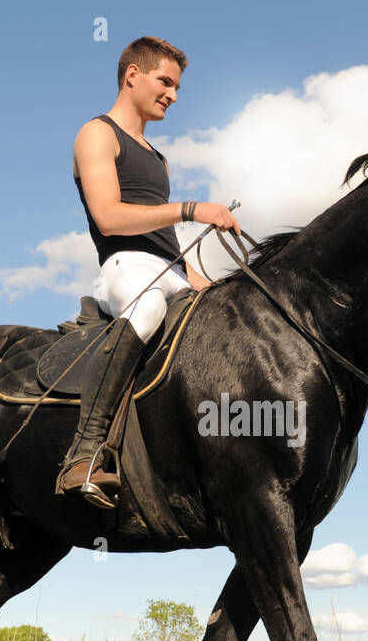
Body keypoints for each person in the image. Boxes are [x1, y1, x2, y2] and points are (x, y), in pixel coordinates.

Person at [55, 35, 242, 508]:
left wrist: (205, 283)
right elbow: (110, 218)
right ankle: (85, 454)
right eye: (165, 82)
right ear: (132, 75)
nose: (173, 95)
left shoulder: (158, 157)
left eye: (177, 88)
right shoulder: (96, 133)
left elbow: (167, 242)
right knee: (147, 309)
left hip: (168, 269)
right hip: (125, 268)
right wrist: (192, 208)